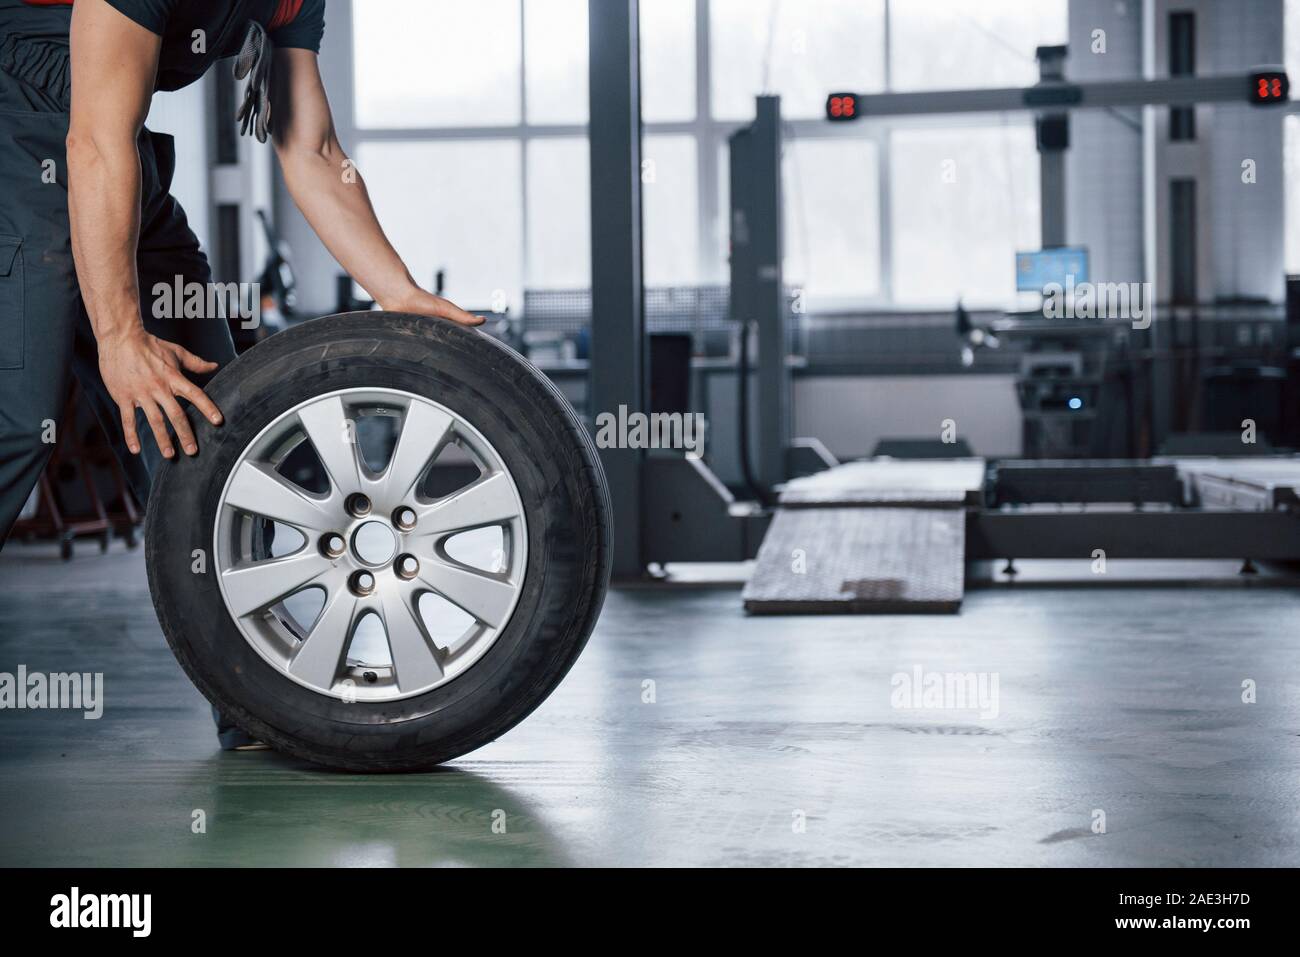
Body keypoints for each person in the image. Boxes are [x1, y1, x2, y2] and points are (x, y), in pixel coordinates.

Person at [0, 0, 482, 748]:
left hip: (109, 157)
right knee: (16, 415)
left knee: (205, 425)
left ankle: (254, 696)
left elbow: (311, 146)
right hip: (25, 141)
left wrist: (396, 288)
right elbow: (92, 143)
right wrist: (120, 334)